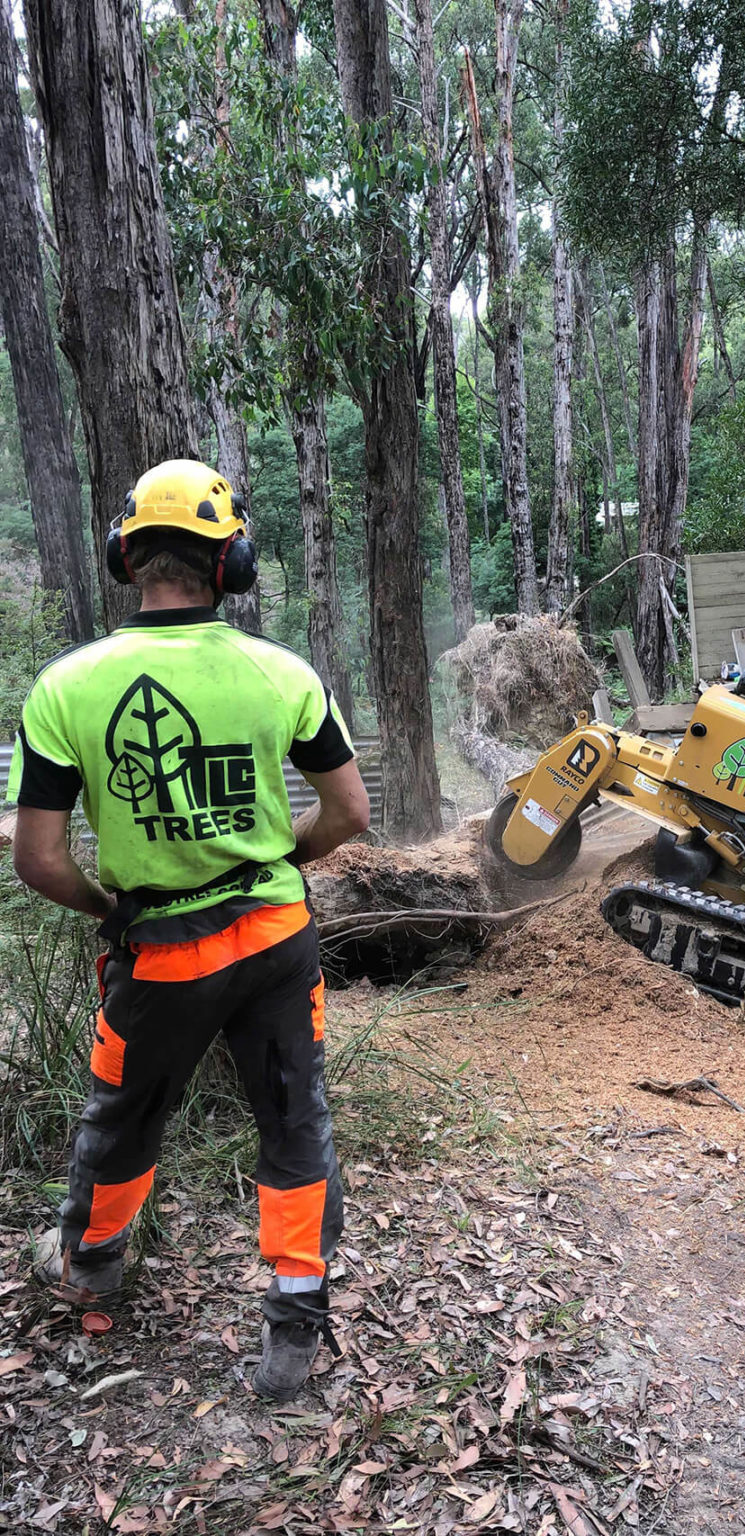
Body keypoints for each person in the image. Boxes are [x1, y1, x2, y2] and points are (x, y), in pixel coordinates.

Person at [7, 459, 370, 1402]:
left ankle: (91, 1279)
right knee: (294, 1122)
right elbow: (348, 816)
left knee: (123, 1119)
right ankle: (293, 1325)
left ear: (128, 559)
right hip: (277, 942)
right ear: (231, 564)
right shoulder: (281, 672)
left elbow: (39, 860)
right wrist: (274, 853)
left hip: (157, 961)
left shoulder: (65, 687)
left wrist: (114, 910)